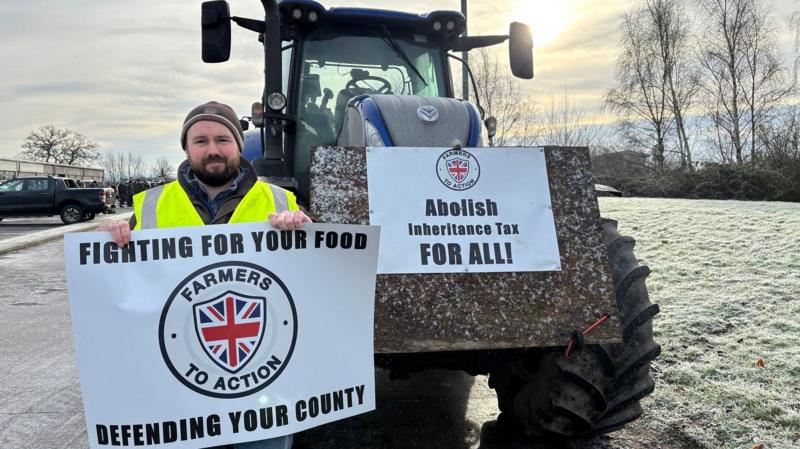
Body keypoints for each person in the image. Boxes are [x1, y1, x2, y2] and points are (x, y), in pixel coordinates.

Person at [98, 101, 309, 449]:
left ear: (239, 146)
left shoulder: (281, 201)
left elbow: (319, 274)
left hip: (262, 389)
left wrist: (305, 232)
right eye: (200, 140)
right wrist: (110, 238)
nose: (213, 150)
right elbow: (118, 285)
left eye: (223, 139)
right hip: (177, 388)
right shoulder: (150, 205)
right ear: (185, 148)